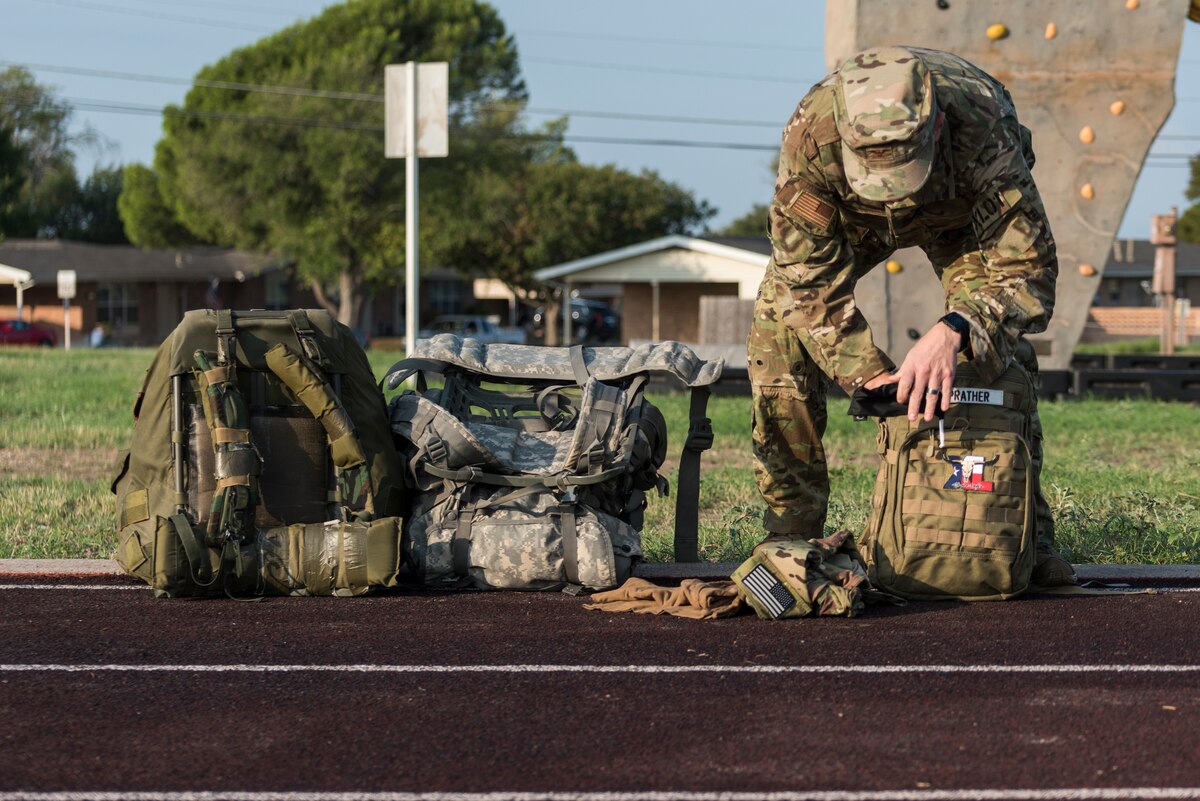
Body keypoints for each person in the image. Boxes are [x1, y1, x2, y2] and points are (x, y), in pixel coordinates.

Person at [748, 44, 1075, 586]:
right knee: (777, 334)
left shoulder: (984, 128)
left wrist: (957, 330)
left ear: (938, 124)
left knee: (994, 346)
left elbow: (1028, 269)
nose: (896, 188)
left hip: (958, 213)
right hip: (853, 217)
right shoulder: (811, 135)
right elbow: (807, 279)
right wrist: (866, 373)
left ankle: (1027, 541)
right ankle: (789, 535)